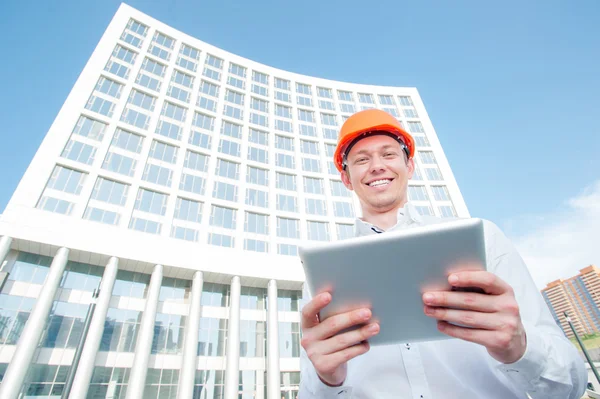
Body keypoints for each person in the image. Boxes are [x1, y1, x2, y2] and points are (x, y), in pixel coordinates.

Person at [298, 109, 588, 398]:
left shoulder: (483, 239)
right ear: (346, 178)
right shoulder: (325, 276)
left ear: (409, 167)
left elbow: (570, 387)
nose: (376, 166)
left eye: (388, 154)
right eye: (361, 159)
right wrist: (327, 380)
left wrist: (520, 348)